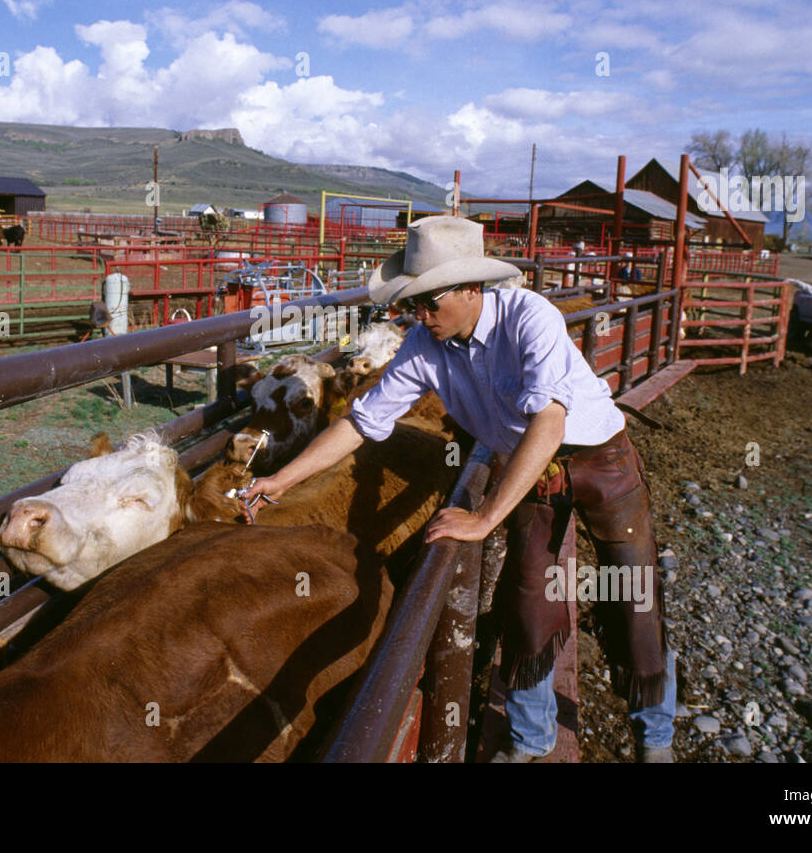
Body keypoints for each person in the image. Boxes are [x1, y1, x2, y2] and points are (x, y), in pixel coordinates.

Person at [241, 216, 676, 763]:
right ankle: (530, 736)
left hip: (599, 458)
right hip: (528, 466)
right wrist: (280, 479)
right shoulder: (424, 346)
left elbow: (550, 421)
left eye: (429, 303)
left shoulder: (529, 318)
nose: (419, 318)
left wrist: (484, 517)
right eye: (410, 305)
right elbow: (362, 421)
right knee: (528, 599)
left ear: (473, 289)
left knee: (632, 592)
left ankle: (654, 736)